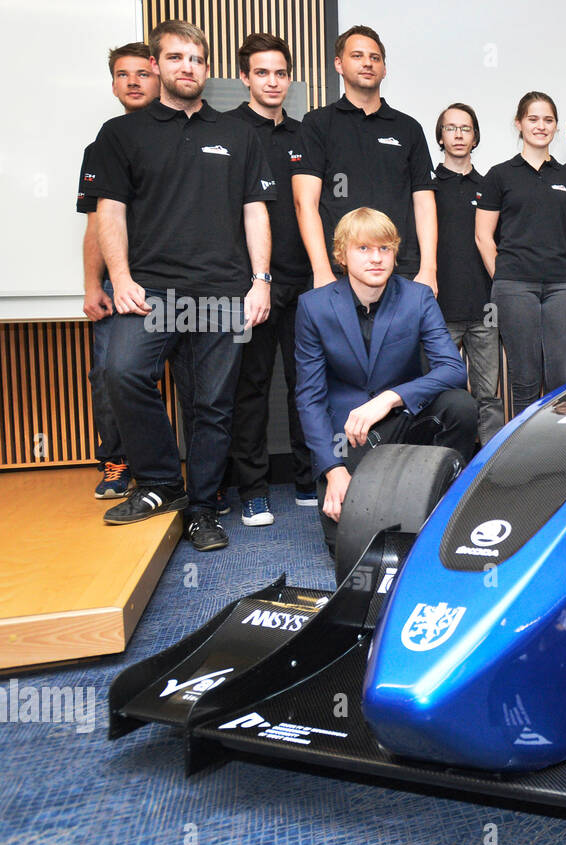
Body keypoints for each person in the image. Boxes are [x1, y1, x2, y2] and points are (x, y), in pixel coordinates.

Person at [92, 19, 274, 552]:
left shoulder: (237, 134)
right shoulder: (121, 134)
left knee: (212, 405)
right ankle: (161, 483)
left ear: (207, 69)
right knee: (122, 372)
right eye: (175, 58)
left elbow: (255, 211)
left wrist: (260, 280)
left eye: (195, 60)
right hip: (150, 291)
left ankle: (201, 508)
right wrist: (120, 277)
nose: (186, 68)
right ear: (157, 66)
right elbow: (110, 212)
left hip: (223, 291)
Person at [293, 208, 475, 552]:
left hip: (404, 420)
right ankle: (372, 489)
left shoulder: (416, 297)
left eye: (385, 249)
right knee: (350, 546)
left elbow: (453, 368)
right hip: (348, 434)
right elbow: (309, 398)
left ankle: (441, 500)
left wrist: (390, 397)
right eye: (363, 249)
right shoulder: (314, 307)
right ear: (341, 255)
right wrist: (333, 471)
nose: (376, 258)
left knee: (460, 406)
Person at [225, 32, 315, 526]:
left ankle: (307, 479)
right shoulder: (229, 131)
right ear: (245, 77)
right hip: (250, 283)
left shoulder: (305, 134)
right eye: (262, 72)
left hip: (304, 279)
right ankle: (253, 490)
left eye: (281, 73)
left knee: (306, 385)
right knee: (251, 387)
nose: (273, 81)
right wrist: (250, 278)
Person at [293, 25, 437, 290]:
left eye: (375, 57)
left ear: (384, 68)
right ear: (339, 64)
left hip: (402, 271)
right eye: (357, 56)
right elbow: (305, 203)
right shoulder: (317, 124)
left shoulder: (408, 128)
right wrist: (321, 270)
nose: (367, 63)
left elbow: (424, 203)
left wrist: (429, 269)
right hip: (338, 273)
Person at [78, 42, 159, 499]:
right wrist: (94, 284)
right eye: (123, 74)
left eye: (142, 73)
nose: (133, 81)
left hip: (181, 281)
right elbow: (97, 223)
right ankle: (116, 462)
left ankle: (179, 475)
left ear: (158, 78)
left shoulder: (182, 136)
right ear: (113, 85)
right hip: (119, 280)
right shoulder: (104, 143)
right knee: (109, 373)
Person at [475, 92, 566, 418]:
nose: (541, 126)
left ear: (555, 126)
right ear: (519, 123)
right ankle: (527, 457)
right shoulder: (499, 175)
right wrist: (506, 277)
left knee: (563, 377)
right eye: (533, 119)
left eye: (548, 120)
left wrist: (559, 271)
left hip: (563, 286)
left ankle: (562, 452)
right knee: (524, 378)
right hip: (513, 285)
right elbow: (483, 236)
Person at [433, 102, 500, 445]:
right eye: (451, 128)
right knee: (444, 395)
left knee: (488, 396)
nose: (458, 135)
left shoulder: (491, 186)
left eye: (466, 129)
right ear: (440, 137)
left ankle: (487, 468)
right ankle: (446, 465)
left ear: (475, 137)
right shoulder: (426, 187)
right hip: (439, 308)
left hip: (485, 309)